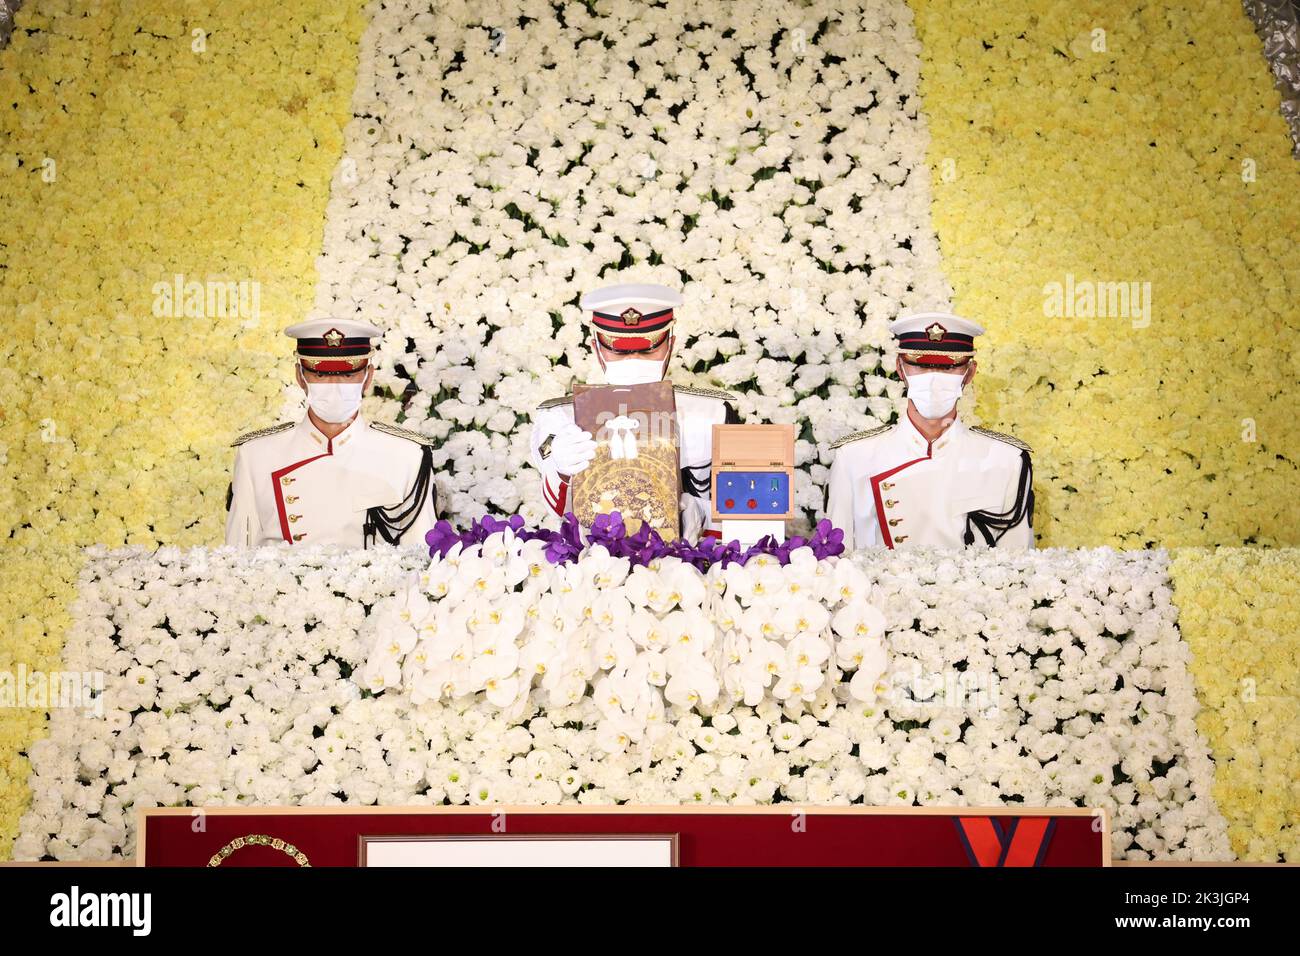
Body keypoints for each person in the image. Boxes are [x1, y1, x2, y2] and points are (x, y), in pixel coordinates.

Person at [529, 283, 740, 540]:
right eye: (618, 349)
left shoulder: (712, 413)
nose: (633, 358)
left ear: (670, 344)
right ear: (596, 347)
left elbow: (749, 516)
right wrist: (560, 472)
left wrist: (702, 515)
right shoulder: (560, 416)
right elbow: (558, 512)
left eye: (648, 348)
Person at [825, 311, 1033, 549]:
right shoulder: (855, 457)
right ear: (901, 369)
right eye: (921, 366)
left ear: (970, 373)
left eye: (948, 368)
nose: (934, 378)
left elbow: (1018, 563)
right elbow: (838, 560)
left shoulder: (1005, 459)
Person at [224, 318, 438, 548]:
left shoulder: (406, 455)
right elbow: (239, 555)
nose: (334, 385)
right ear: (300, 376)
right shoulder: (257, 454)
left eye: (348, 375)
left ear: (368, 377)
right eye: (321, 375)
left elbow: (419, 556)